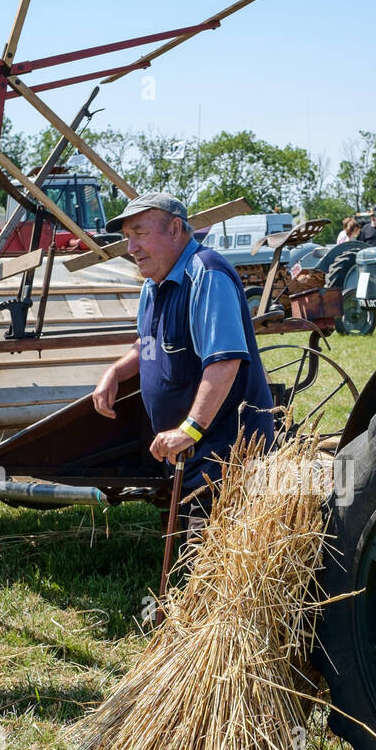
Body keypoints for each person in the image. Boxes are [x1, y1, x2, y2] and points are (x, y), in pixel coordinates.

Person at [91, 192, 275, 526]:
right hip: (187, 457)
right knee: (190, 561)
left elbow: (224, 362)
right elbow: (149, 342)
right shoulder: (153, 284)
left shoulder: (206, 274)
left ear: (175, 229)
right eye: (127, 237)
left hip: (225, 457)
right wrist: (116, 372)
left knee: (208, 566)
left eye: (140, 233)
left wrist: (189, 430)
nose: (131, 247)